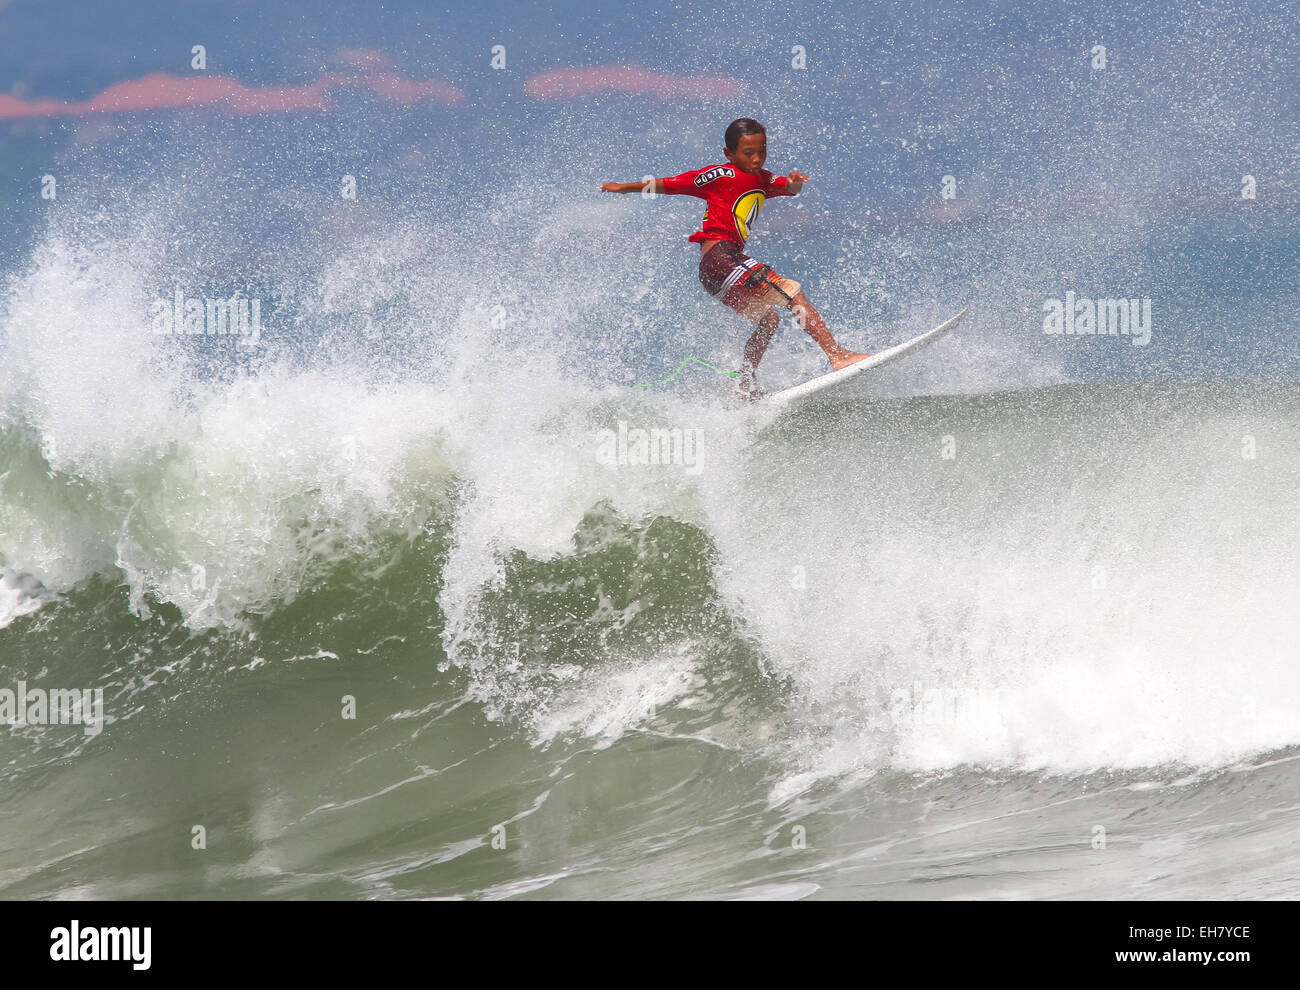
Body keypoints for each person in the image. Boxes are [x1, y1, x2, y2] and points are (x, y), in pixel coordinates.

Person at [601, 117, 869, 399]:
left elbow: (790, 189)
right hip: (721, 257)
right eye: (748, 153)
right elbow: (672, 184)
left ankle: (745, 386)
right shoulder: (720, 175)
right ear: (729, 154)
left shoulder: (763, 180)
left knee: (769, 320)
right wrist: (624, 187)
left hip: (714, 273)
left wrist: (794, 182)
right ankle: (837, 355)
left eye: (762, 151)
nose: (756, 159)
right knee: (792, 293)